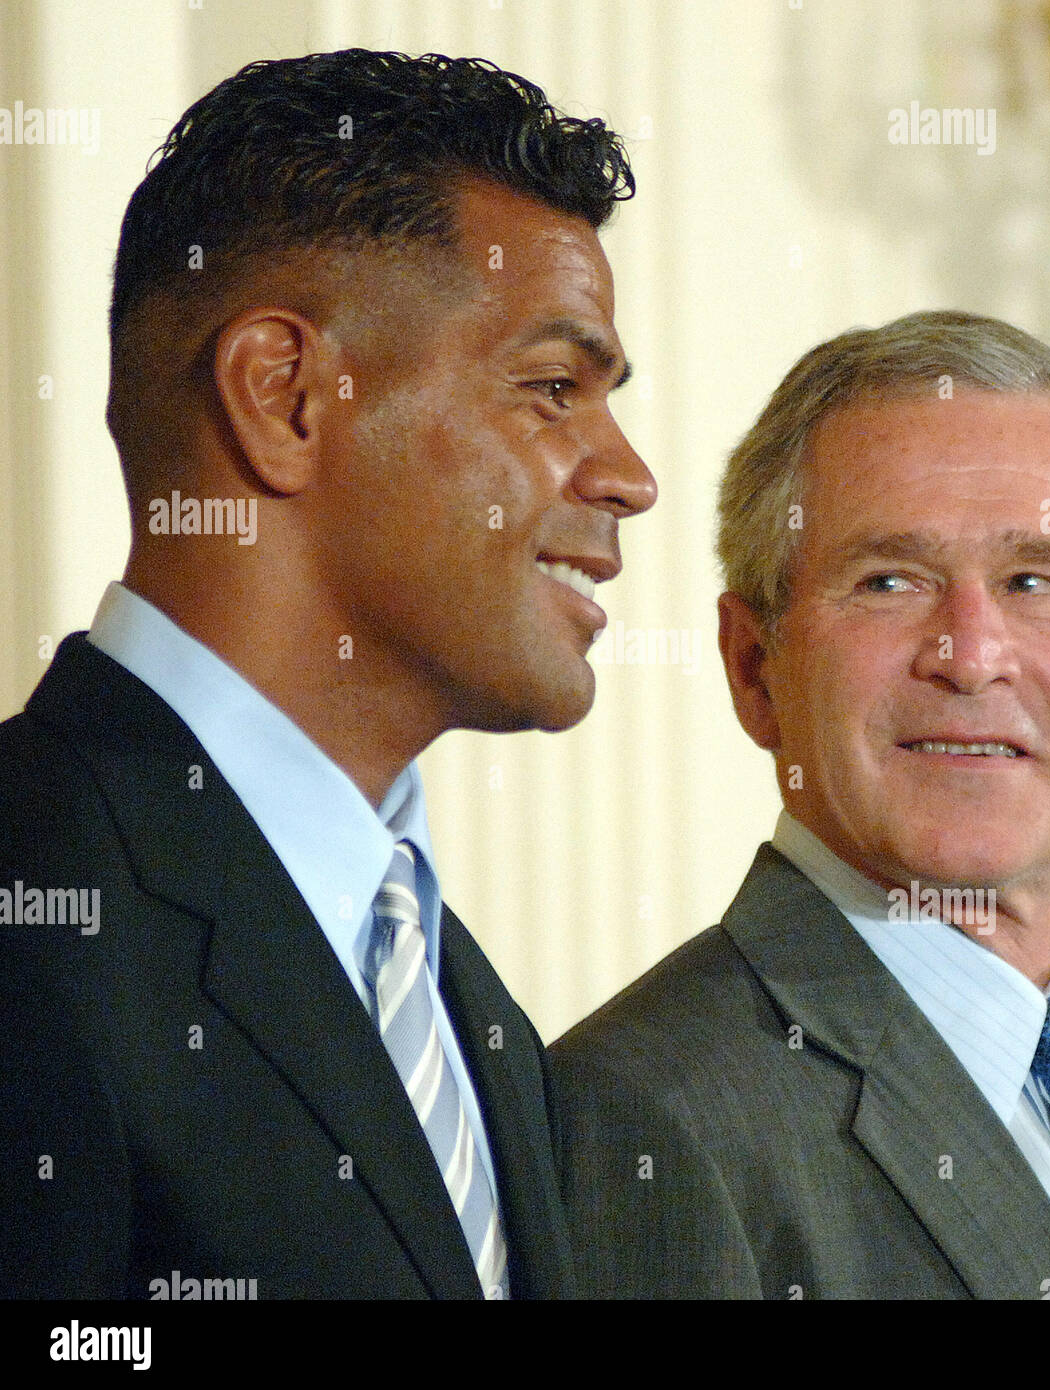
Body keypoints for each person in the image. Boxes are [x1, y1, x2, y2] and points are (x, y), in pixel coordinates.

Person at [0, 49, 655, 1300]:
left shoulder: (469, 1004)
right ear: (286, 396)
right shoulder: (31, 909)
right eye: (552, 388)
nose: (627, 475)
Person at [551, 310, 1050, 1300]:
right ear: (754, 669)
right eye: (886, 580)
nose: (969, 653)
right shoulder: (642, 1115)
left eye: (1034, 581)